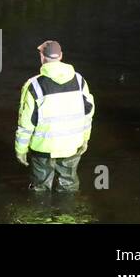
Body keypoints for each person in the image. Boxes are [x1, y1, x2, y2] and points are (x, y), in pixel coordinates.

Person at [15, 40, 95, 191]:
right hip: (72, 145)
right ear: (61, 56)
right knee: (69, 186)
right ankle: (69, 213)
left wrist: (21, 150)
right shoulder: (79, 81)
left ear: (42, 57)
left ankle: (41, 213)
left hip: (43, 148)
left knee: (41, 189)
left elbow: (26, 123)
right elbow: (88, 113)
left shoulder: (34, 86)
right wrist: (85, 138)